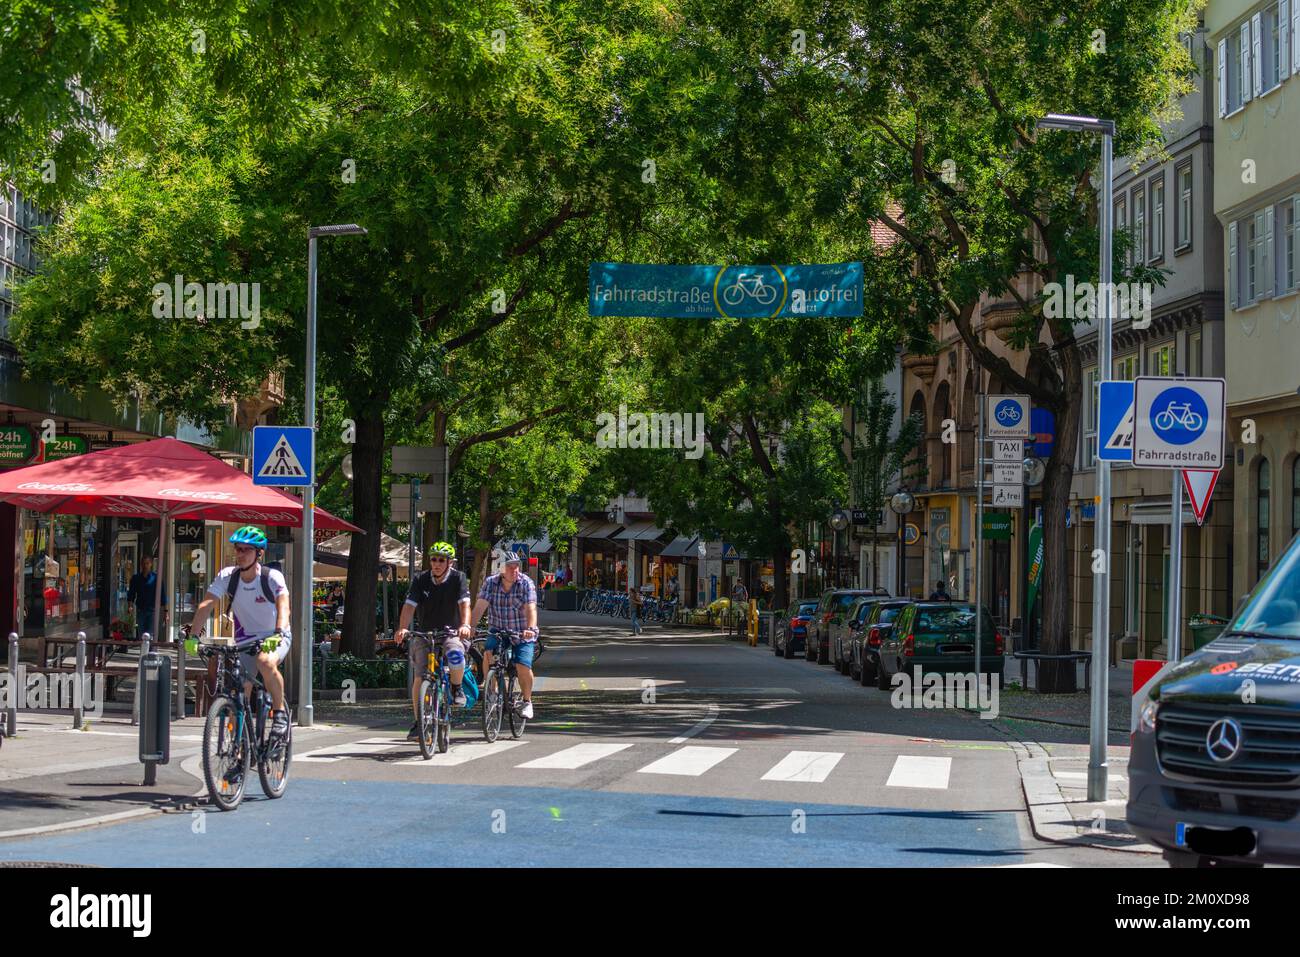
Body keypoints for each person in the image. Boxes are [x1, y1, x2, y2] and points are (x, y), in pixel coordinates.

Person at [186, 526, 292, 739]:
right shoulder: (228, 576)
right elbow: (206, 604)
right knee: (238, 691)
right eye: (238, 549)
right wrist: (193, 636)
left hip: (276, 635)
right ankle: (238, 753)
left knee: (265, 662)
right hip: (246, 639)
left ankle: (279, 714)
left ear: (259, 553)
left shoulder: (272, 577)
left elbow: (284, 607)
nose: (240, 554)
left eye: (246, 550)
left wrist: (277, 632)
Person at [395, 541, 473, 741]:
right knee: (420, 677)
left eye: (441, 560)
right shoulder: (420, 579)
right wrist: (403, 628)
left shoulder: (458, 578)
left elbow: (465, 605)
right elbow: (409, 606)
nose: (436, 564)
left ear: (449, 563)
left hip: (451, 632)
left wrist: (465, 625)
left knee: (455, 654)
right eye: (433, 559)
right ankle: (419, 721)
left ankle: (456, 688)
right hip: (425, 633)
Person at [472, 551, 539, 719]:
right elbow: (480, 606)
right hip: (498, 629)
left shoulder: (525, 583)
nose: (514, 569)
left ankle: (527, 701)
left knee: (523, 665)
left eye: (517, 566)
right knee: (488, 654)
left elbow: (531, 608)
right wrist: (470, 626)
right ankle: (492, 693)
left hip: (521, 632)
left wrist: (530, 628)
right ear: (501, 569)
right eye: (510, 566)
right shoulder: (491, 583)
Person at [127, 556, 168, 638]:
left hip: (152, 611)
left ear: (151, 564)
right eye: (143, 563)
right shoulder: (136, 578)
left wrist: (166, 613)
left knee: (149, 635)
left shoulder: (156, 578)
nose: (145, 566)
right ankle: (143, 650)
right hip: (140, 610)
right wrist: (130, 606)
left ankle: (149, 650)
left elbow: (163, 596)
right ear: (141, 565)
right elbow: (131, 594)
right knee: (141, 635)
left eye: (147, 563)